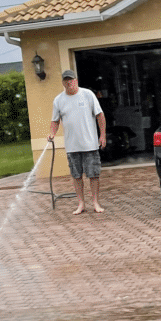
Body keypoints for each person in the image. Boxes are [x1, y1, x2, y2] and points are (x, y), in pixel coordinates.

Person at [47, 70, 107, 214]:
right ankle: (81, 204)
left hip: (90, 144)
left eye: (71, 79)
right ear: (62, 82)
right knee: (76, 175)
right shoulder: (59, 100)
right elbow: (55, 121)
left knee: (93, 175)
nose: (69, 82)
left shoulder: (88, 95)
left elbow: (100, 115)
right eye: (66, 80)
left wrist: (102, 135)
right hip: (72, 146)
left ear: (76, 80)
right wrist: (51, 133)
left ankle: (95, 203)